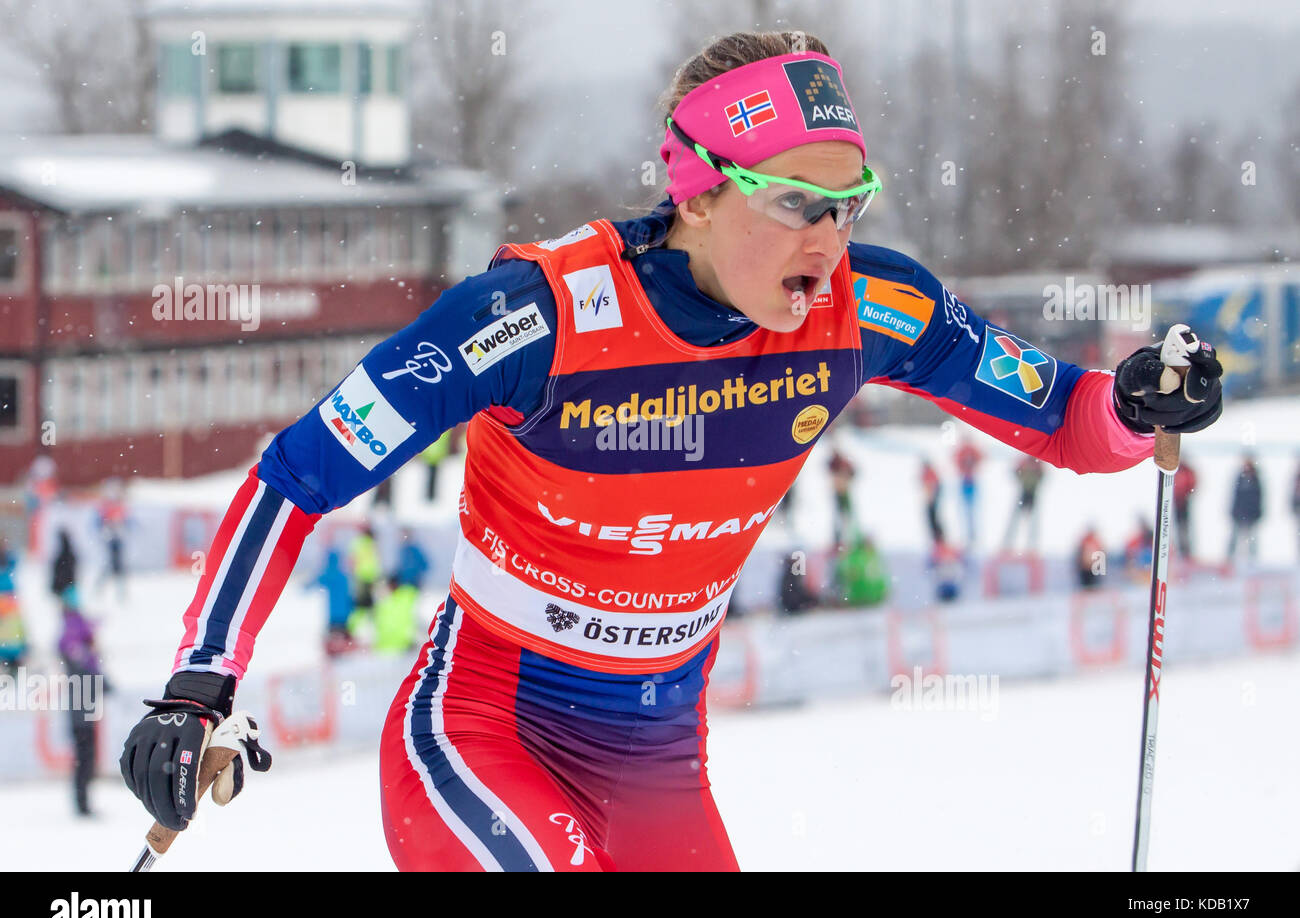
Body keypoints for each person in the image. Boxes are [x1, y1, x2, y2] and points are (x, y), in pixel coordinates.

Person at [119, 31, 1223, 871]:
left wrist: (1139, 400)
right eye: (798, 202)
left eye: (849, 206)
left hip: (654, 759)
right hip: (483, 725)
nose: (829, 242)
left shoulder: (873, 308)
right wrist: (194, 689)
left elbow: (1073, 422)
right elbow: (298, 474)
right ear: (695, 188)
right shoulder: (534, 316)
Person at [57, 586, 108, 816]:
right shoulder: (78, 650)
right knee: (84, 758)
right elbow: (88, 674)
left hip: (81, 712)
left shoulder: (74, 641)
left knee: (84, 758)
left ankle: (83, 802)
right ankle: (82, 804)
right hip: (82, 714)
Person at [314, 548, 355, 658]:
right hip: (345, 614)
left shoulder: (329, 574)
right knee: (344, 639)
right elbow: (350, 595)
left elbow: (316, 581)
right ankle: (345, 655)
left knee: (332, 640)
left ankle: (334, 656)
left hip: (333, 615)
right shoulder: (344, 576)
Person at [95, 478, 129, 601]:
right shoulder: (105, 507)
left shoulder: (119, 506)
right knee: (110, 565)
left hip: (117, 538)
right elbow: (101, 522)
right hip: (110, 538)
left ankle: (119, 592)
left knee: (117, 565)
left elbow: (124, 521)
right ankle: (101, 589)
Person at [832, 532, 888, 607]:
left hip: (871, 598)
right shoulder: (858, 557)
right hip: (859, 598)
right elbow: (850, 574)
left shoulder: (873, 557)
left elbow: (880, 577)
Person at [1001, 455, 1043, 552]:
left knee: (1033, 521)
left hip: (1031, 494)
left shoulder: (1037, 463)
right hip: (1024, 493)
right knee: (1015, 520)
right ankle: (1008, 543)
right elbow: (1016, 472)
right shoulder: (1025, 462)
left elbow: (1042, 476)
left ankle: (1031, 545)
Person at [1226, 455, 1263, 563]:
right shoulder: (1240, 477)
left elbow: (1259, 497)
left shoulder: (1255, 478)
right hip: (1239, 512)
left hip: (1251, 513)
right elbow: (1235, 496)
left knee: (1251, 538)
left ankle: (1252, 560)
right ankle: (1230, 559)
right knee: (1235, 536)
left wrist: (1256, 512)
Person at [0, 542, 27, 672]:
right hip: (9, 599)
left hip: (8, 599)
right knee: (12, 629)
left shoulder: (8, 561)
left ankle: (12, 659)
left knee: (11, 628)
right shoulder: (8, 561)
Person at [953, 437, 982, 550]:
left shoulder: (970, 450)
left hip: (970, 480)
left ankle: (971, 534)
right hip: (965, 480)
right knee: (965, 510)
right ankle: (967, 534)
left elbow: (980, 459)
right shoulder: (965, 451)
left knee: (970, 509)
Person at [827, 447, 856, 549]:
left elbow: (853, 473)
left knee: (846, 516)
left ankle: (847, 538)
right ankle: (840, 539)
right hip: (839, 491)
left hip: (843, 491)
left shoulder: (842, 465)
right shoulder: (836, 466)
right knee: (840, 517)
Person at [1172, 458, 1198, 558]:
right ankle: (1181, 550)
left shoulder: (1186, 471)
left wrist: (1186, 495)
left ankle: (1186, 551)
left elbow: (1192, 484)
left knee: (1184, 527)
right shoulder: (1177, 470)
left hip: (1184, 502)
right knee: (1179, 527)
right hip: (1177, 502)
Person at [420, 430, 453, 502]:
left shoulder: (431, 431)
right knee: (433, 476)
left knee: (430, 476)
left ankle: (430, 495)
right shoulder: (445, 431)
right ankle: (431, 495)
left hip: (430, 455)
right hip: (436, 455)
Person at [920, 459, 943, 547]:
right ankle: (936, 537)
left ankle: (938, 537)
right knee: (932, 517)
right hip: (930, 498)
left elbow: (933, 486)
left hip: (932, 498)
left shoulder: (930, 474)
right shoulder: (927, 474)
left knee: (933, 517)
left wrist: (931, 498)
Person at [50, 529, 77, 601]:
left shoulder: (62, 555)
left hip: (66, 587)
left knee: (69, 606)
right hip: (69, 586)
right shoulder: (70, 554)